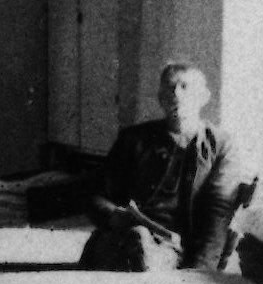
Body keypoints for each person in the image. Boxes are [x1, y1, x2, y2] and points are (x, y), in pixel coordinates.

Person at [87, 59, 254, 271]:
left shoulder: (221, 145)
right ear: (160, 98)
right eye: (169, 86)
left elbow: (218, 211)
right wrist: (113, 215)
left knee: (147, 252)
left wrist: (200, 270)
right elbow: (96, 194)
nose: (176, 94)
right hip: (127, 230)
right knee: (132, 239)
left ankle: (142, 252)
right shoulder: (133, 139)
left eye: (185, 86)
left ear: (204, 97)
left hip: (176, 244)